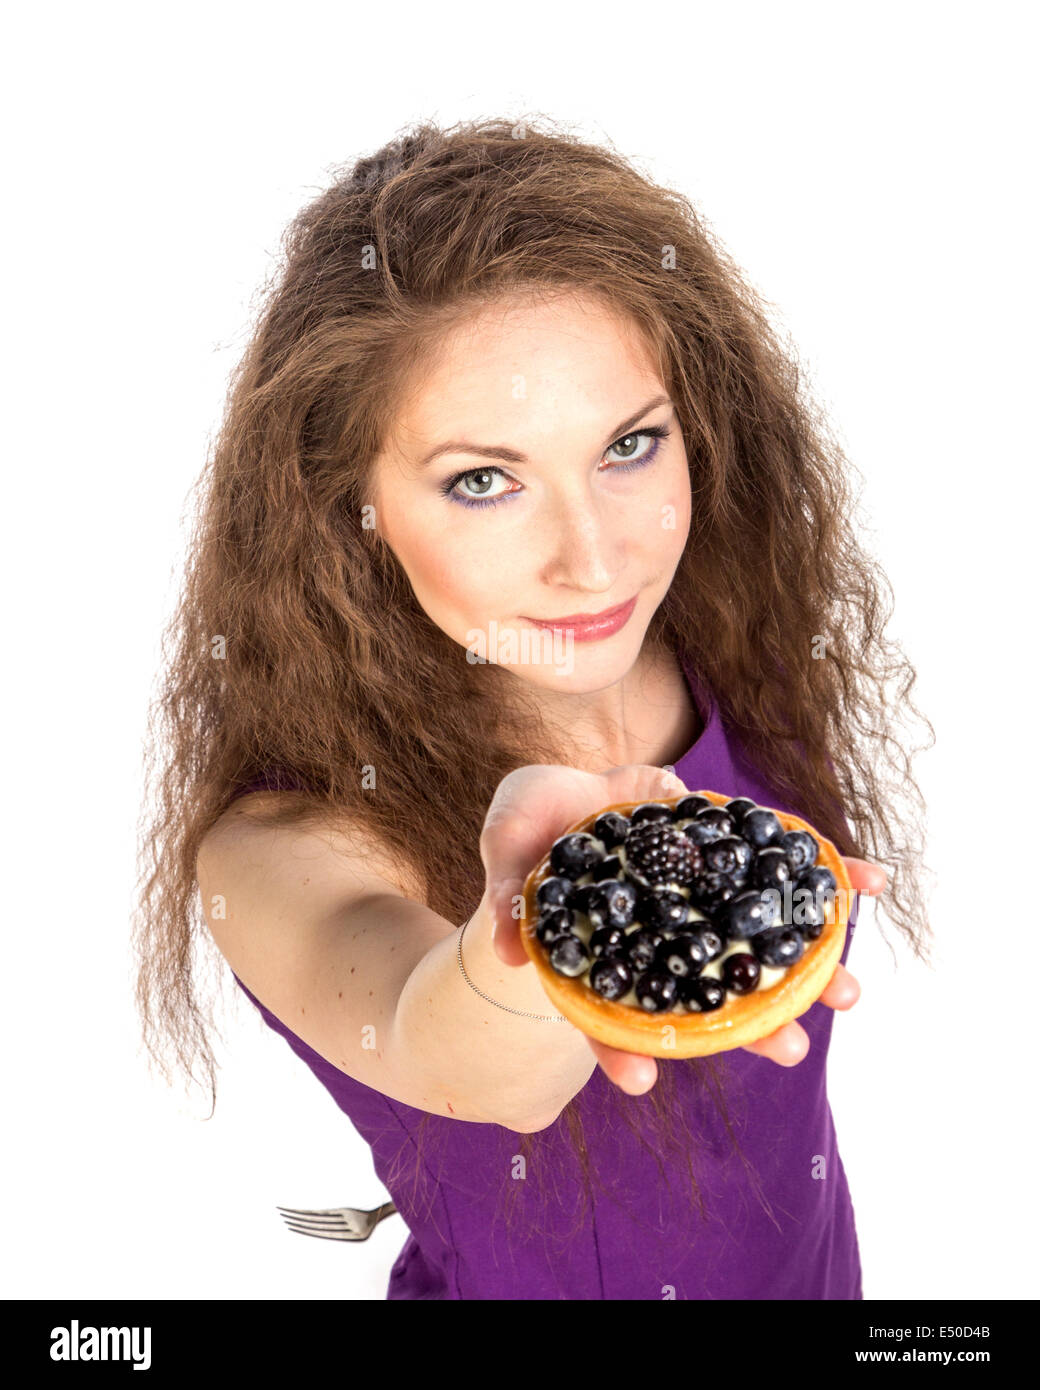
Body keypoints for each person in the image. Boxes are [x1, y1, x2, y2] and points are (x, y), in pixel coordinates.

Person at [133, 116, 934, 1300]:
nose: (594, 558)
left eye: (628, 446)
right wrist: (532, 924)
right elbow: (461, 1052)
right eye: (481, 480)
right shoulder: (279, 849)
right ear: (343, 505)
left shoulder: (729, 649)